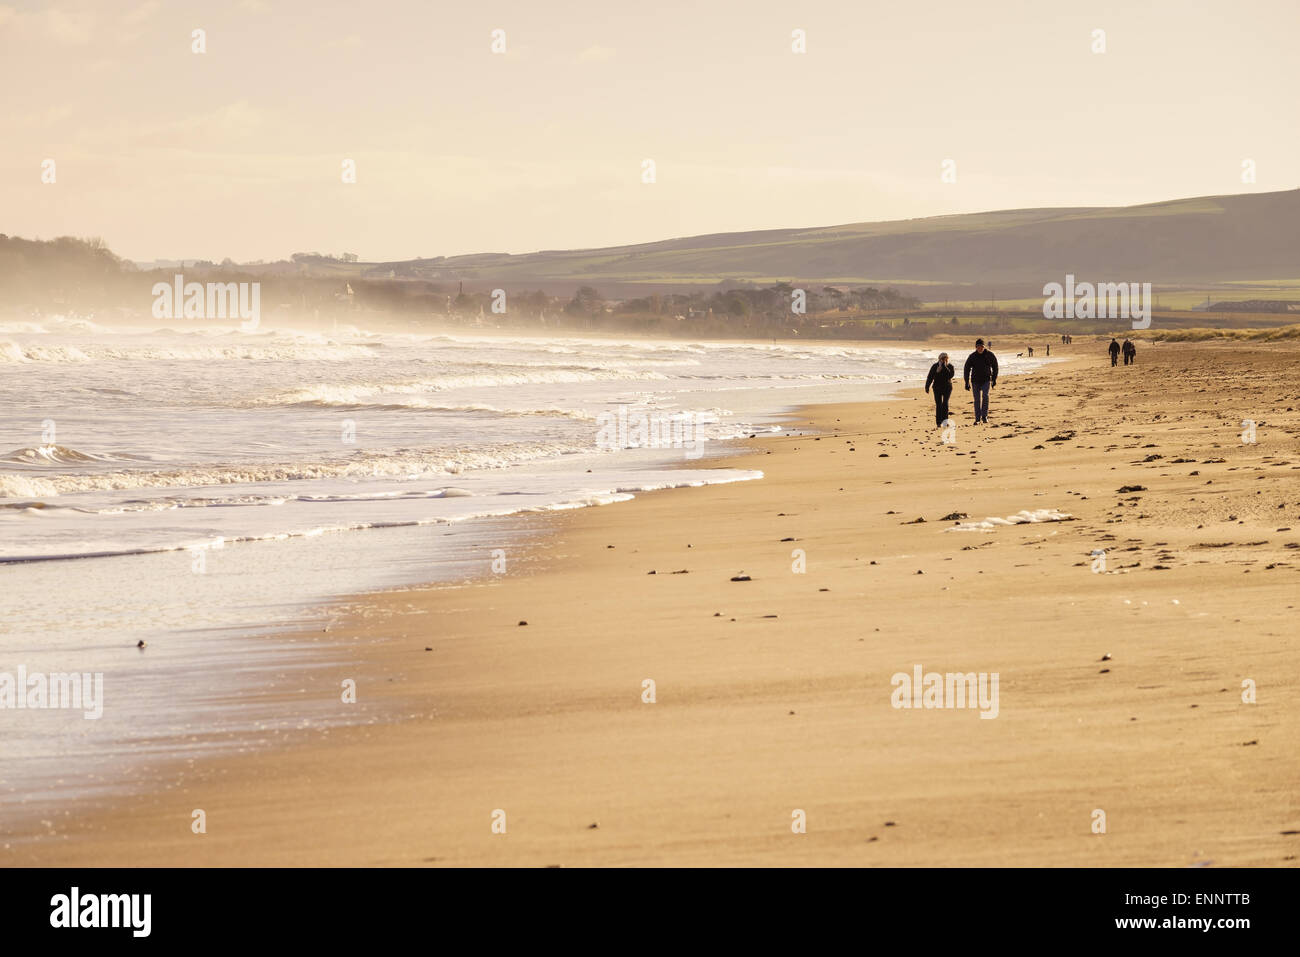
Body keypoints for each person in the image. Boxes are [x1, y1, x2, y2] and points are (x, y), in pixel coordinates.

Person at [963, 338, 998, 424]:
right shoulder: (972, 356)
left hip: (986, 380)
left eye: (981, 346)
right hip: (975, 381)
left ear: (984, 347)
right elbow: (966, 369)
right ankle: (977, 419)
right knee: (977, 399)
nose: (980, 348)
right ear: (976, 347)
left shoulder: (989, 355)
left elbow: (995, 367)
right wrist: (966, 382)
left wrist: (994, 379)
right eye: (978, 347)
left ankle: (984, 416)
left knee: (985, 396)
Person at [924, 352, 955, 428]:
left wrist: (944, 367)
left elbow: (950, 375)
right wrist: (927, 386)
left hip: (947, 387)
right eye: (942, 359)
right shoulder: (935, 366)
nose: (944, 360)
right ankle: (938, 422)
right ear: (939, 359)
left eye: (946, 358)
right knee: (938, 404)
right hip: (937, 387)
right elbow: (930, 376)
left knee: (945, 404)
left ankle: (945, 421)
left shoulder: (950, 366)